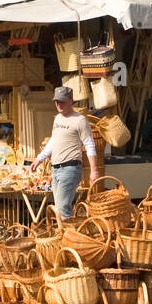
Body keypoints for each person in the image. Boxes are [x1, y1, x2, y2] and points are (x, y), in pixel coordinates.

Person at [29, 85, 101, 218]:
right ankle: (67, 235)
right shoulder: (57, 118)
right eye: (57, 101)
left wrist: (94, 171)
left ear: (70, 100)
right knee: (61, 208)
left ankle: (70, 237)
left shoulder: (80, 120)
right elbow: (53, 141)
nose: (59, 104)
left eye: (62, 101)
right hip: (55, 169)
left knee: (62, 209)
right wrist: (40, 158)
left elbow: (90, 145)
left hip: (70, 169)